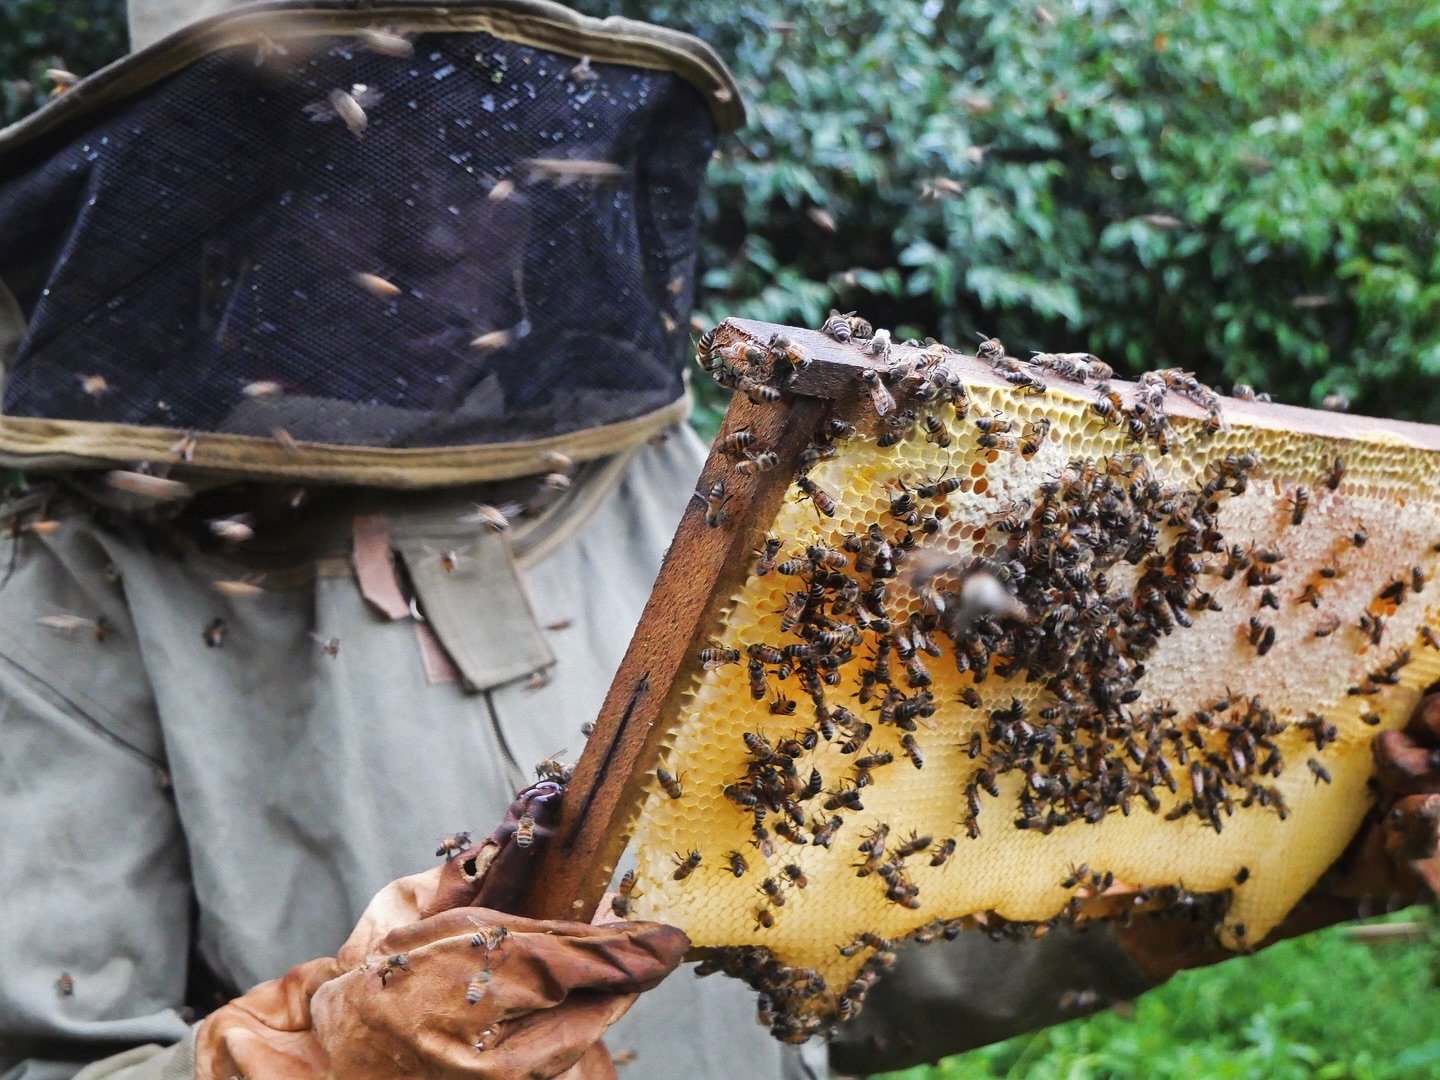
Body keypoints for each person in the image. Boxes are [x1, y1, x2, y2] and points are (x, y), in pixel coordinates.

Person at [2, 4, 1439, 1080]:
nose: (443, 230)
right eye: (365, 163)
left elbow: (838, 954)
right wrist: (306, 1062)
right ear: (220, 193)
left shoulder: (690, 489)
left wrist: (1272, 858)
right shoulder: (78, 595)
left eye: (477, 153)